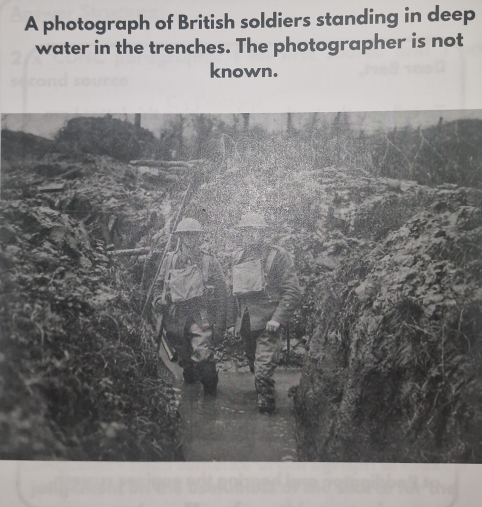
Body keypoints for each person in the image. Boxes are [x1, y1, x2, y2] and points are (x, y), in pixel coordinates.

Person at [228, 212, 301, 413]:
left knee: (263, 367)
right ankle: (261, 383)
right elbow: (234, 292)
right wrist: (234, 322)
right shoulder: (237, 256)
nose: (251, 236)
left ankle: (266, 404)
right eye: (246, 232)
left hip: (268, 322)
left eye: (255, 232)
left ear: (263, 233)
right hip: (246, 322)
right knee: (254, 361)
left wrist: (278, 319)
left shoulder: (278, 256)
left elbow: (293, 291)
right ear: (241, 234)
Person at [153, 218, 227, 395]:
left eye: (194, 235)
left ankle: (210, 392)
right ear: (180, 237)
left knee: (203, 356)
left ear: (199, 237)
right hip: (175, 317)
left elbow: (223, 294)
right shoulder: (170, 260)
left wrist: (221, 324)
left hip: (199, 315)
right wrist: (158, 300)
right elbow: (158, 285)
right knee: (185, 361)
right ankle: (192, 385)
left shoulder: (209, 261)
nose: (190, 239)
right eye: (186, 235)